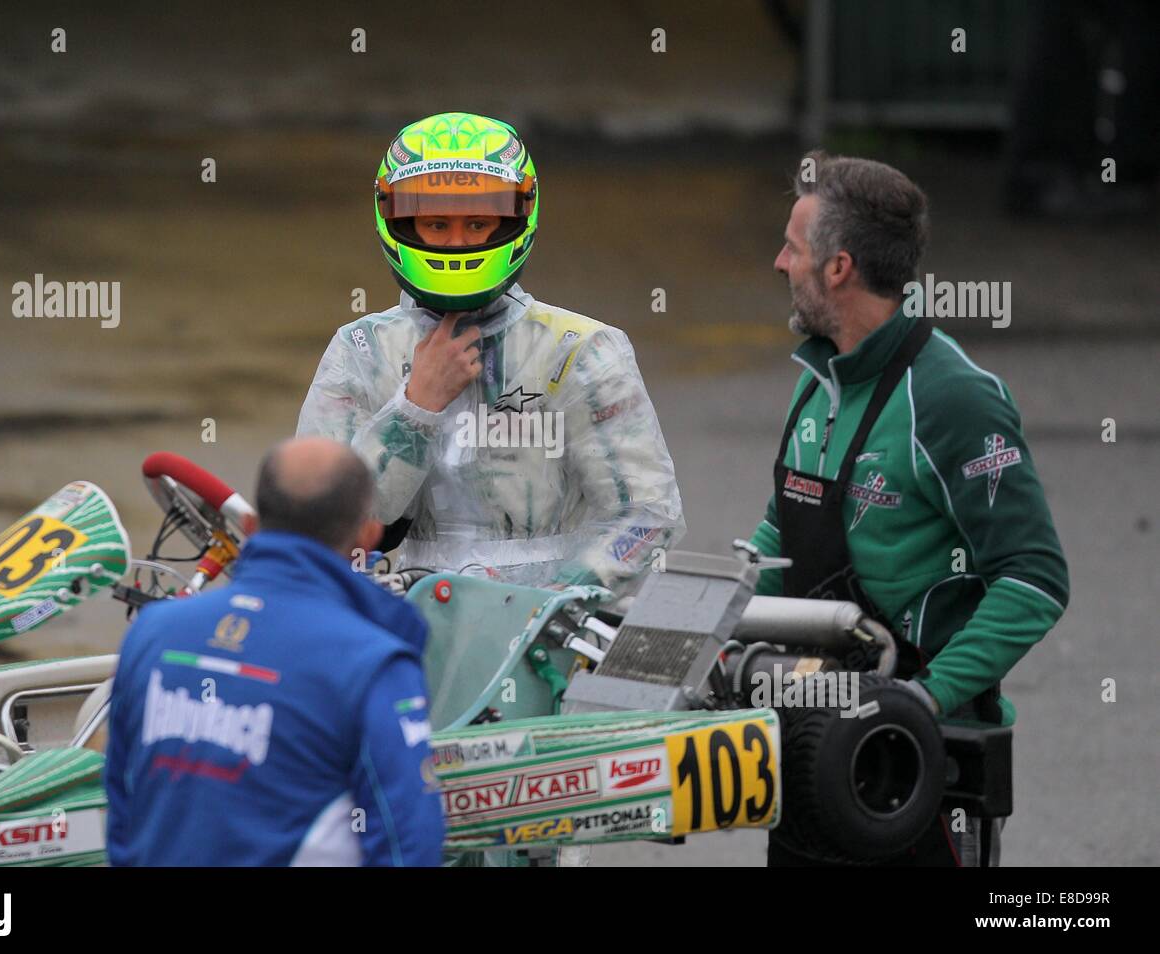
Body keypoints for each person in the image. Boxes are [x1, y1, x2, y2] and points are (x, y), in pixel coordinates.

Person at [751, 152, 1069, 866]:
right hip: (808, 753)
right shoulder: (821, 375)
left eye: (792, 248)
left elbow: (1035, 578)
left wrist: (924, 702)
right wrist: (699, 624)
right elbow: (784, 533)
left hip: (917, 768)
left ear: (838, 267)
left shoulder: (952, 396)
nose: (778, 263)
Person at [296, 111, 684, 596]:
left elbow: (649, 516)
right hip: (412, 613)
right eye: (437, 223)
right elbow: (319, 528)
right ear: (397, 221)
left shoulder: (579, 351)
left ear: (515, 219)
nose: (457, 242)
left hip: (551, 628)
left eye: (477, 223)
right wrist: (416, 406)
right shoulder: (361, 350)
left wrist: (552, 607)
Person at [104, 437, 445, 866]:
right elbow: (407, 846)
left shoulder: (152, 635)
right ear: (368, 535)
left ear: (250, 525)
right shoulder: (375, 665)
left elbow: (122, 811)